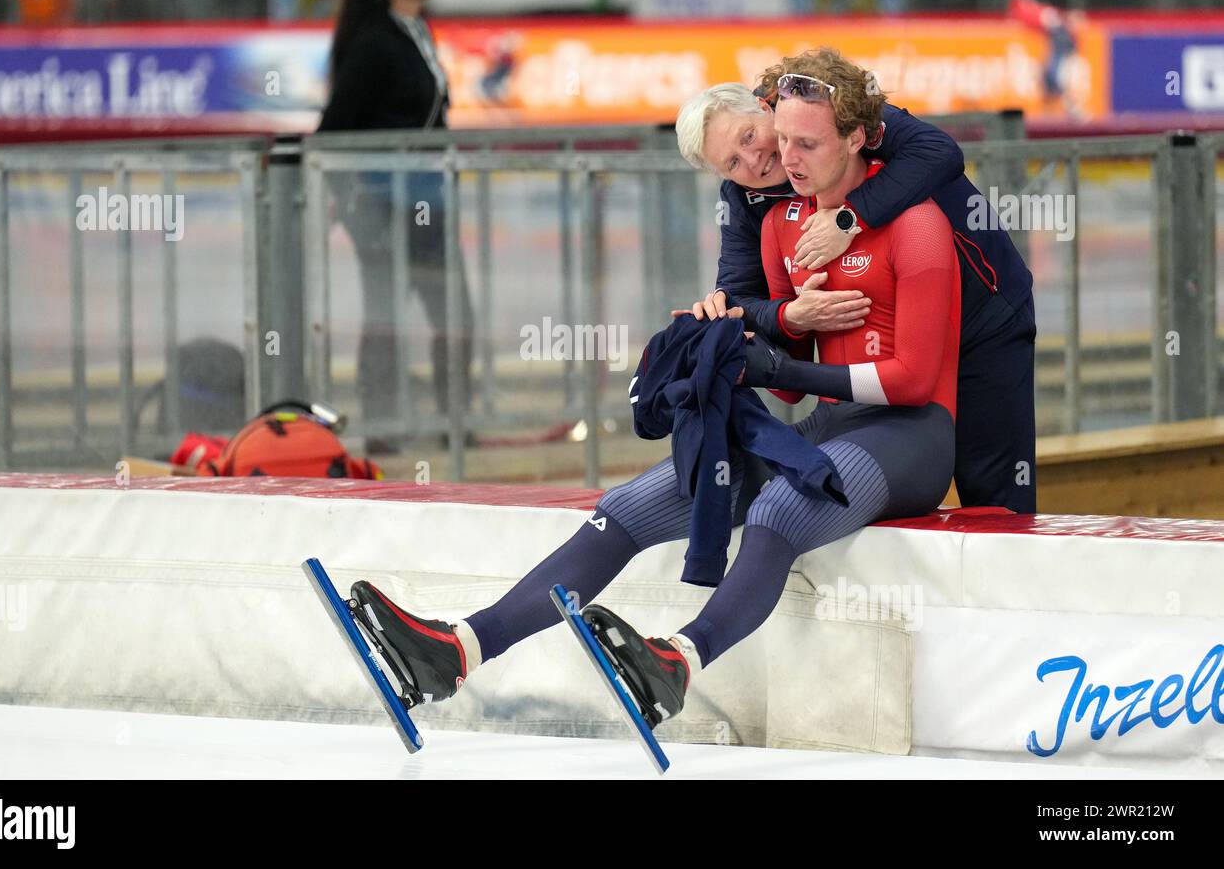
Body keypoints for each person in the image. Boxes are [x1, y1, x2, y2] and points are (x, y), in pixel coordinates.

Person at [342, 49, 961, 728]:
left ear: (855, 138)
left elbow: (911, 382)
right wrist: (736, 341)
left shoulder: (916, 223)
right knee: (638, 501)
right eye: (778, 140)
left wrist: (784, 369)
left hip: (912, 435)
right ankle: (458, 649)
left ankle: (677, 663)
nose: (783, 160)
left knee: (780, 509)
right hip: (834, 425)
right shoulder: (781, 224)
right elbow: (784, 386)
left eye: (802, 143)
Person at [673, 56, 1036, 513]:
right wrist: (785, 315)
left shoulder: (826, 105)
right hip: (883, 353)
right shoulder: (745, 201)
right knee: (874, 489)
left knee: (993, 492)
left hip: (983, 315)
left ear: (766, 110)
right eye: (732, 163)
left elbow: (940, 152)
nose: (756, 160)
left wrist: (849, 218)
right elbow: (741, 297)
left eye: (749, 138)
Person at [316, 0, 473, 452]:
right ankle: (382, 427)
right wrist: (348, 197)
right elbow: (334, 130)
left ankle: (454, 420)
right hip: (383, 203)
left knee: (453, 310)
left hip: (429, 199)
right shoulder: (373, 43)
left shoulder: (416, 30)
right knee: (385, 313)